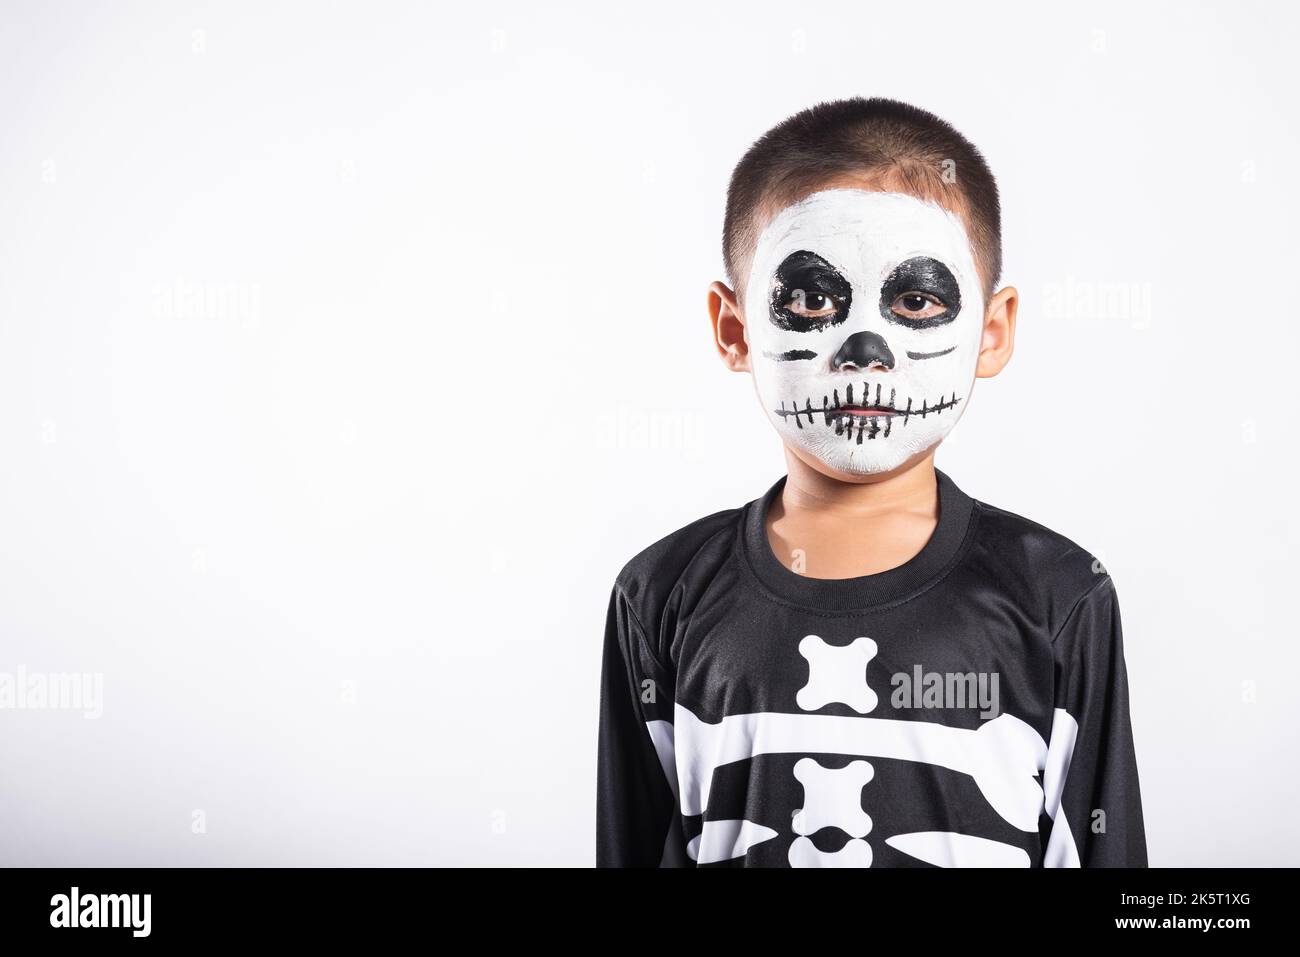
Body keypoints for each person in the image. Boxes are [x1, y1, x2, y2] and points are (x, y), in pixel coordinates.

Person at [596, 97, 1146, 868]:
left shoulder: (1059, 596)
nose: (865, 351)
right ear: (735, 329)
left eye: (915, 300)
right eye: (811, 299)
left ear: (991, 332)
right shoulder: (660, 595)